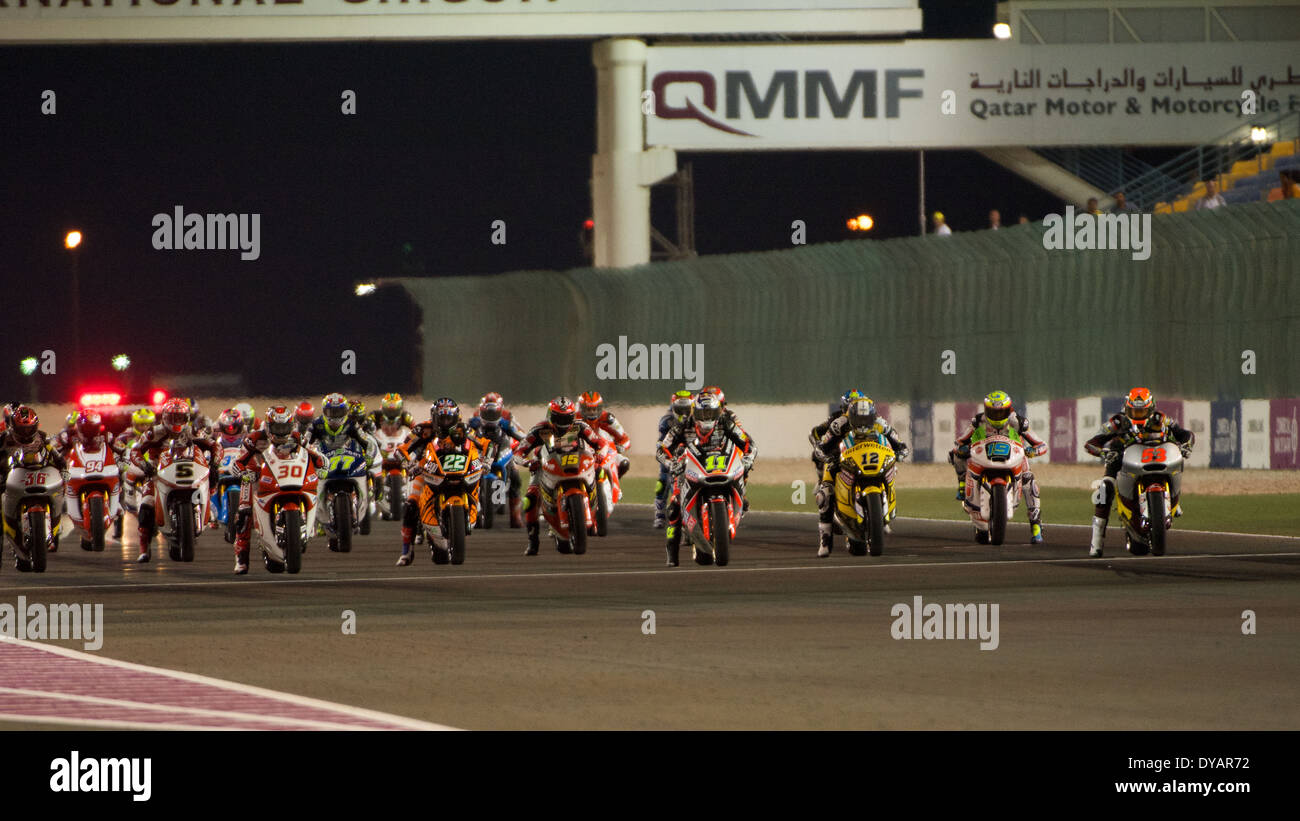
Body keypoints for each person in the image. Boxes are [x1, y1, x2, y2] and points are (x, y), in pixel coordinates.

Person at [1083, 387, 1194, 558]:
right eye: (1134, 410)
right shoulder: (1118, 422)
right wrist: (1104, 452)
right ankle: (1096, 542)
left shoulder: (1161, 418)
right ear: (1127, 408)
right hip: (1121, 460)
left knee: (1177, 460)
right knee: (1104, 489)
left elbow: (1184, 433)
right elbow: (1091, 443)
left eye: (1142, 411)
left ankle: (1174, 499)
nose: (1138, 414)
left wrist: (1187, 445)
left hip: (1156, 457)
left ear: (1151, 409)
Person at [657, 392, 756, 566]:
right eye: (703, 414)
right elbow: (662, 448)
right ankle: (671, 553)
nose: (707, 418)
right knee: (673, 508)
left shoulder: (725, 423)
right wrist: (670, 463)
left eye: (711, 413)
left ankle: (740, 502)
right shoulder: (683, 425)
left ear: (718, 412)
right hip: (689, 466)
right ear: (695, 413)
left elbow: (748, 443)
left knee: (741, 475)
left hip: (720, 465)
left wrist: (748, 458)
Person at [230, 406, 328, 574]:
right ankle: (241, 557)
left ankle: (308, 525)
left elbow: (313, 454)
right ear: (269, 426)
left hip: (288, 475)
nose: (281, 432)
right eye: (277, 427)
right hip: (258, 477)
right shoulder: (254, 438)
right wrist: (244, 473)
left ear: (291, 426)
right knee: (244, 512)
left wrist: (322, 465)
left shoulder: (298, 437)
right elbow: (239, 462)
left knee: (316, 488)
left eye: (285, 427)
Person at [129, 397, 221, 564]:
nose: (176, 421)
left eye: (180, 418)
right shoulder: (153, 432)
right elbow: (135, 451)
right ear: (165, 417)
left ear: (187, 418)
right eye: (173, 418)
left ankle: (210, 508)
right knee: (145, 505)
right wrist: (145, 465)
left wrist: (214, 464)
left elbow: (215, 445)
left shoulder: (193, 432)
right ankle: (144, 549)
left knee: (214, 477)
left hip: (189, 471)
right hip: (158, 474)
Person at [949, 390, 1048, 544]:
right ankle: (962, 484)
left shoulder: (1019, 422)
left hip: (1014, 457)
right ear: (986, 410)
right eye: (993, 413)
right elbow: (960, 441)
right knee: (955, 455)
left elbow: (1041, 444)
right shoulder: (978, 421)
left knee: (1028, 478)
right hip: (985, 456)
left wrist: (1032, 451)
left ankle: (1036, 525)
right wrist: (961, 449)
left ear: (1009, 410)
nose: (997, 416)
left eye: (1001, 412)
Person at [513, 397, 608, 557]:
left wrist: (599, 455)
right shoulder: (540, 429)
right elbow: (518, 452)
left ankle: (598, 515)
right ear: (551, 416)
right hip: (545, 465)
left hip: (576, 461)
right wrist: (527, 463)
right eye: (558, 418)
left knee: (600, 471)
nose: (562, 422)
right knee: (530, 498)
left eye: (566, 418)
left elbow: (601, 443)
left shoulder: (580, 426)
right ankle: (533, 541)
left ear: (572, 417)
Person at [815, 397, 908, 557]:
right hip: (842, 460)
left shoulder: (881, 424)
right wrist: (828, 456)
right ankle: (825, 538)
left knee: (894, 468)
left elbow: (899, 443)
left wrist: (900, 452)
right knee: (825, 493)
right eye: (859, 418)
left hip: (872, 459)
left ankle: (883, 512)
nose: (863, 422)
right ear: (851, 416)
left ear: (873, 416)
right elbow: (822, 447)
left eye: (866, 418)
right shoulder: (839, 424)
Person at [0, 407, 68, 567]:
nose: (26, 432)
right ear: (14, 427)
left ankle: (53, 527)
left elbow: (57, 456)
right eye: (22, 428)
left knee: (60, 490)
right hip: (9, 478)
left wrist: (64, 470)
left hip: (37, 474)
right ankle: (15, 546)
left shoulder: (42, 438)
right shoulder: (4, 438)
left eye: (29, 428)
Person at [468, 393, 527, 528]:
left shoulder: (507, 419)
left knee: (516, 478)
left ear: (500, 410)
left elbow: (521, 434)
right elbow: (465, 435)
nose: (490, 417)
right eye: (487, 413)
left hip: (502, 450)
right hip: (481, 452)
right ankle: (471, 513)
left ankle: (515, 516)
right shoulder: (474, 420)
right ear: (481, 410)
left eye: (493, 414)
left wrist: (524, 444)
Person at [653, 391, 694, 528]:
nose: (684, 413)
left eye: (686, 409)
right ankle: (659, 515)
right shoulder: (666, 420)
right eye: (680, 409)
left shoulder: (697, 419)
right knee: (663, 482)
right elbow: (662, 443)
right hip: (672, 453)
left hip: (692, 453)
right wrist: (667, 456)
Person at [577, 390, 631, 479]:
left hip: (605, 451)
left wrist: (620, 447)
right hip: (582, 452)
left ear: (599, 408)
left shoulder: (608, 418)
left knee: (624, 463)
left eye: (594, 409)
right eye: (588, 409)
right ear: (582, 409)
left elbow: (625, 440)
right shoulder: (574, 418)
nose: (592, 412)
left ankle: (613, 484)